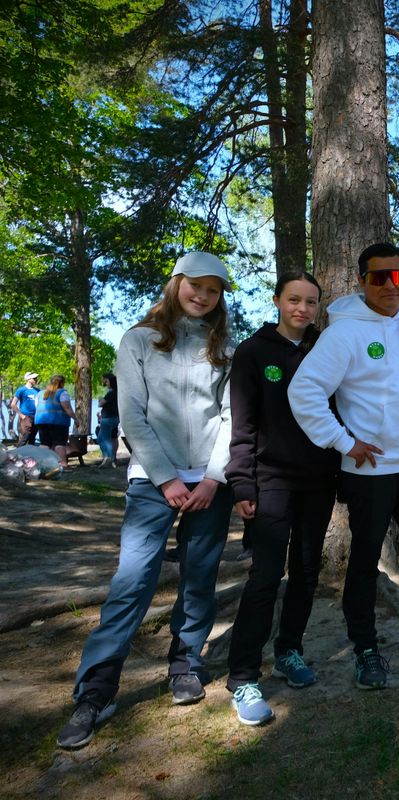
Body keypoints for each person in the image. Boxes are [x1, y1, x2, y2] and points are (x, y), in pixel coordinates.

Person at [57, 252, 235, 750]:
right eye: (194, 285)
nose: (202, 295)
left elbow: (230, 418)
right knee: (132, 581)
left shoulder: (226, 348)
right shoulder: (139, 340)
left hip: (207, 486)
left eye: (213, 290)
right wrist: (164, 480)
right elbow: (132, 416)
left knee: (200, 577)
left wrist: (213, 480)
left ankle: (185, 662)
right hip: (152, 482)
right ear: (176, 284)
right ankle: (96, 691)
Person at [288, 242, 399, 691]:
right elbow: (304, 391)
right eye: (378, 277)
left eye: (397, 276)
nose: (390, 286)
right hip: (368, 472)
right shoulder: (344, 333)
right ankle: (365, 648)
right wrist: (343, 442)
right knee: (365, 561)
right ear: (361, 281)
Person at [222, 272, 340, 726]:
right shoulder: (253, 353)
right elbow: (244, 424)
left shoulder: (325, 349)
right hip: (270, 481)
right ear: (277, 301)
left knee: (307, 571)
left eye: (311, 302)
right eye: (294, 300)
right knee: (265, 575)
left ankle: (289, 651)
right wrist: (242, 484)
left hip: (320, 480)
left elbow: (340, 409)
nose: (302, 309)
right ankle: (244, 676)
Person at [35, 374, 75, 469]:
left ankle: (43, 465)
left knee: (44, 444)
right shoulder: (62, 393)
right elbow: (67, 408)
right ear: (62, 383)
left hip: (41, 421)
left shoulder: (40, 393)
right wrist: (76, 419)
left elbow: (37, 406)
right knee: (59, 443)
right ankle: (63, 464)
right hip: (58, 422)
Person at [97, 372, 120, 467]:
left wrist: (101, 399)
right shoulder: (116, 392)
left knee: (106, 440)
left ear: (108, 380)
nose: (103, 382)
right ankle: (107, 458)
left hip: (107, 419)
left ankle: (110, 459)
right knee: (100, 438)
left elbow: (100, 404)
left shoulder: (111, 393)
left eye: (105, 380)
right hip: (114, 417)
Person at [12, 371, 40, 446]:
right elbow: (13, 404)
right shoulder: (21, 390)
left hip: (36, 417)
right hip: (26, 417)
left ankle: (30, 457)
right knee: (25, 437)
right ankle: (18, 455)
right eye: (34, 378)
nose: (36, 379)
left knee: (32, 438)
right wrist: (21, 415)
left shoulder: (38, 391)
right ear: (28, 379)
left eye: (36, 378)